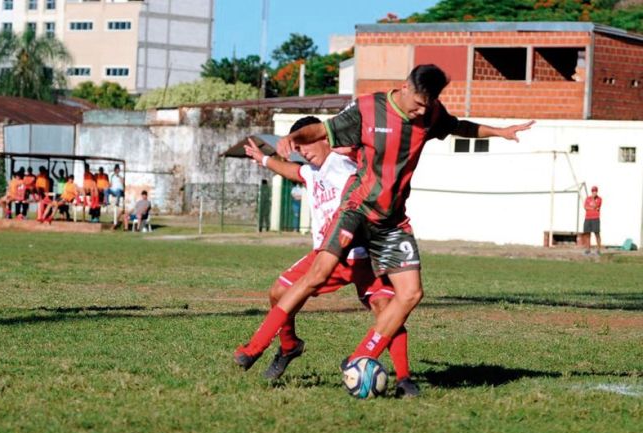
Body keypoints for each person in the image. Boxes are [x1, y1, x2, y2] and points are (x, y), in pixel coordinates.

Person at [234, 64, 534, 383]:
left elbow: (458, 126)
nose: (422, 111)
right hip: (353, 221)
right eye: (418, 102)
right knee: (290, 286)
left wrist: (500, 132)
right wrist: (281, 148)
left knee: (403, 297)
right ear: (405, 87)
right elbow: (317, 138)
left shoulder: (420, 119)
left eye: (428, 105)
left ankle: (384, 369)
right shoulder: (364, 114)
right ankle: (266, 347)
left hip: (381, 233)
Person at [238, 118, 415, 393]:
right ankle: (289, 346)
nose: (302, 151)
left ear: (323, 137)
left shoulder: (342, 164)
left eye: (305, 143)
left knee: (386, 309)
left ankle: (404, 378)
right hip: (326, 255)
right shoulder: (311, 170)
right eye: (297, 147)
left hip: (365, 256)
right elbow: (292, 171)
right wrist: (263, 159)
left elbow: (368, 165)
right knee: (277, 293)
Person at [584, 185, 602, 255]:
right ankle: (588, 249)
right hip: (588, 218)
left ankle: (598, 250)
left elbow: (596, 206)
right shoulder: (588, 198)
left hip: (595, 218)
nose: (594, 192)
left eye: (595, 191)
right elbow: (585, 207)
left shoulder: (599, 199)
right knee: (587, 234)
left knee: (597, 233)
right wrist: (592, 208)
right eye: (593, 191)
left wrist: (593, 201)